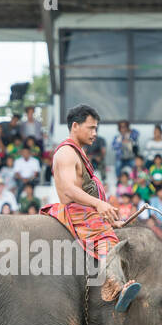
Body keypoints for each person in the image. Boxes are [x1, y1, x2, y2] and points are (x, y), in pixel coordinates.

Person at [41, 104, 140, 304]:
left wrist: (110, 220)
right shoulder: (67, 152)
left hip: (90, 213)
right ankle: (112, 285)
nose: (95, 133)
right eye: (91, 128)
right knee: (109, 243)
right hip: (78, 212)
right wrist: (99, 204)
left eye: (96, 129)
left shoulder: (79, 153)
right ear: (75, 126)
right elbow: (69, 189)